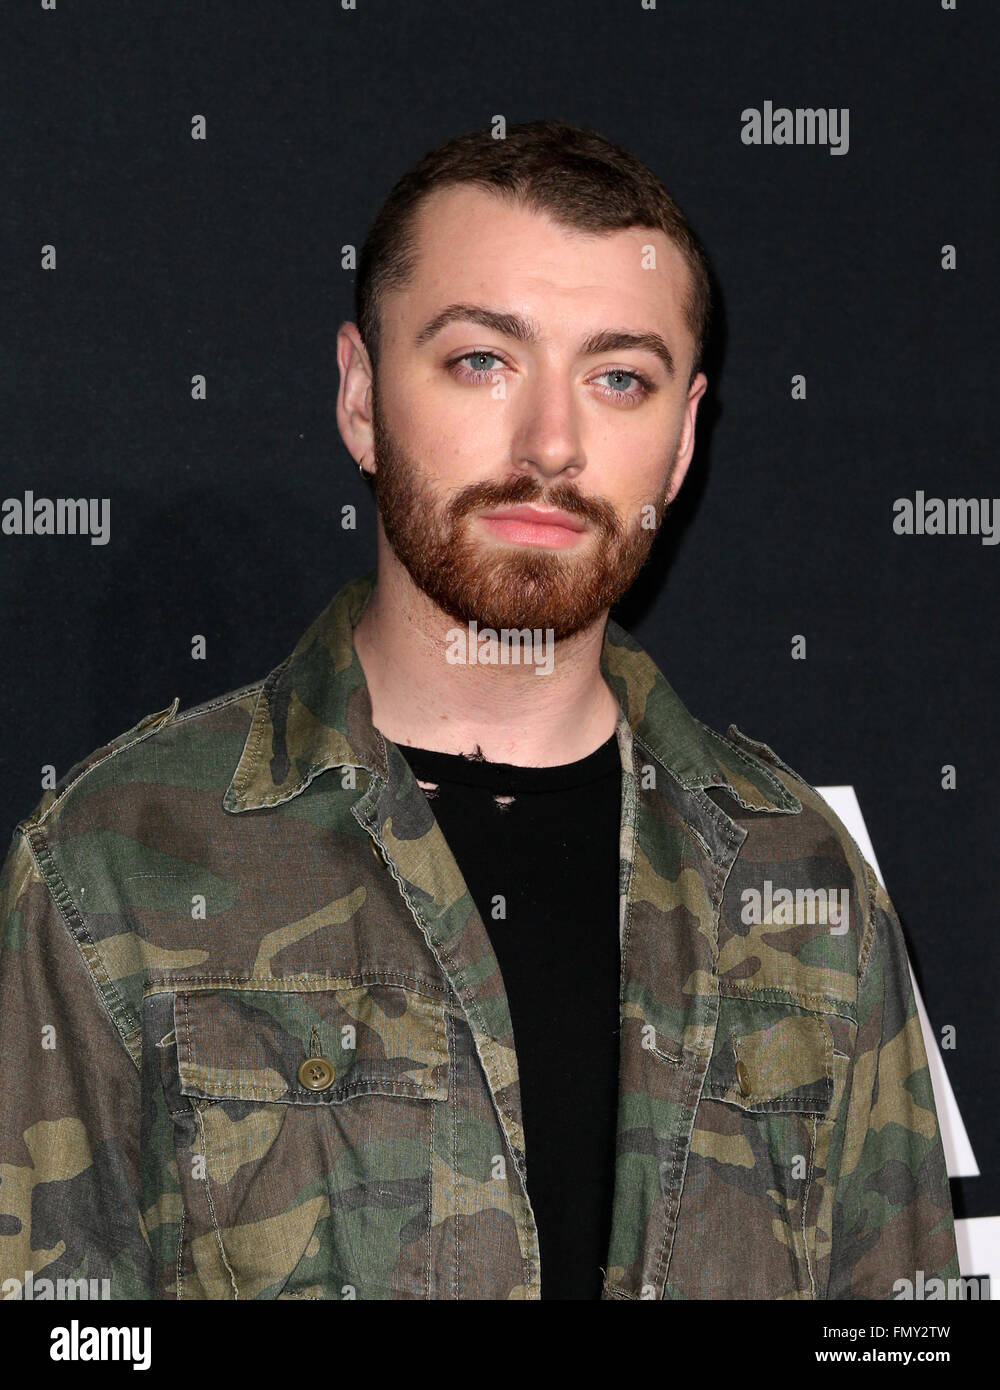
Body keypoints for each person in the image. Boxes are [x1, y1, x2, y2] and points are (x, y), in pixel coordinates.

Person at [0, 120, 957, 1300]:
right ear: (360, 396)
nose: (550, 444)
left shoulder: (803, 886)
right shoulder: (115, 869)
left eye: (618, 378)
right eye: (480, 360)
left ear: (681, 441)